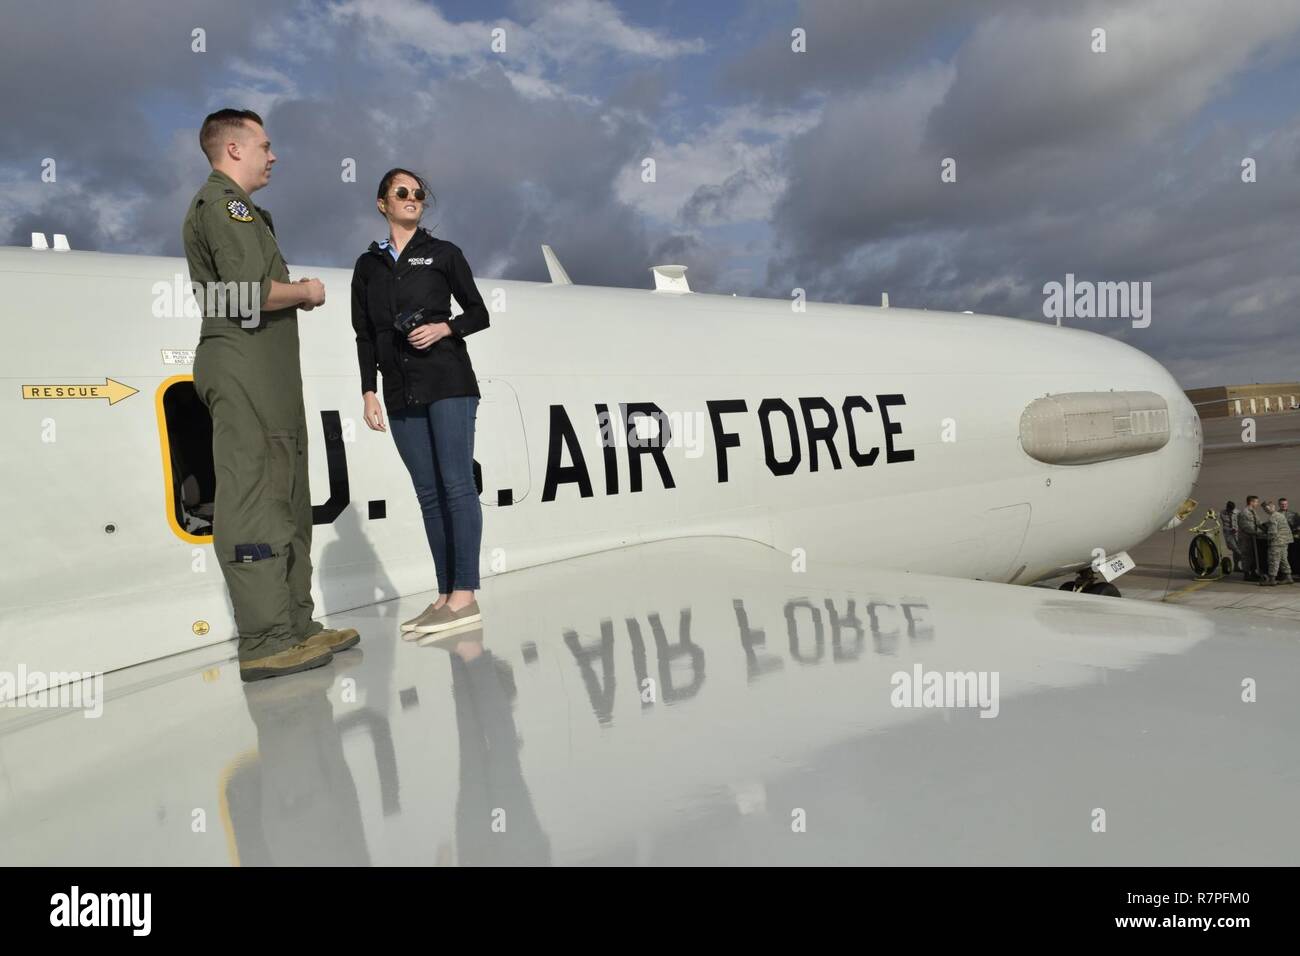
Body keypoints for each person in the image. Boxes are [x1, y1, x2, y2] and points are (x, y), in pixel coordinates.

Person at [184, 108, 359, 682]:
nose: (273, 154)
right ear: (234, 150)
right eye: (264, 144)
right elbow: (246, 293)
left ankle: (295, 626)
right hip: (244, 365)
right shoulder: (225, 206)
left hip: (270, 373)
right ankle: (263, 640)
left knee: (285, 496)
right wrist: (305, 291)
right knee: (255, 494)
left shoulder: (249, 213)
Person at [350, 168, 491, 637]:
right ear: (382, 203)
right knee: (428, 494)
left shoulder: (443, 254)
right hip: (398, 388)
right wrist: (368, 390)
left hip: (448, 380)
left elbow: (478, 312)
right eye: (402, 193)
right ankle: (444, 595)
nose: (413, 199)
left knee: (456, 485)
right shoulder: (368, 266)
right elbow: (365, 334)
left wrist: (446, 327)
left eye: (419, 194)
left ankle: (465, 596)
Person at [1260, 500, 1294, 586]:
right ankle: (1288, 577)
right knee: (1283, 559)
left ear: (1269, 507)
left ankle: (1272, 579)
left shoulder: (1273, 517)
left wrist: (1267, 538)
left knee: (1273, 560)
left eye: (1265, 508)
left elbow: (1272, 533)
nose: (1265, 510)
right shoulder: (1280, 515)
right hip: (1285, 541)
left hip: (1277, 542)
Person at [1238, 494, 1263, 581]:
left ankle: (1253, 572)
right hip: (1246, 538)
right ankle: (1246, 574)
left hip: (1252, 537)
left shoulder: (1253, 511)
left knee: (1253, 555)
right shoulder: (1244, 513)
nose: (1257, 504)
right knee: (1246, 556)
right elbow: (1245, 527)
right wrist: (1257, 533)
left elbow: (1258, 522)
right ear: (1251, 502)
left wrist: (1265, 528)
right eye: (1256, 502)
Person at [1219, 500, 1241, 573]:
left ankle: (1236, 566)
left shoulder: (1238, 512)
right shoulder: (1222, 513)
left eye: (1231, 509)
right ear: (1227, 508)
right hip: (1228, 534)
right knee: (1235, 548)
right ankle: (1245, 561)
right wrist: (1211, 512)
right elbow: (1215, 515)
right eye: (1229, 509)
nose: (1230, 511)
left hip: (1237, 533)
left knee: (1236, 550)